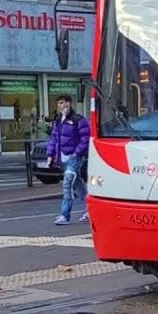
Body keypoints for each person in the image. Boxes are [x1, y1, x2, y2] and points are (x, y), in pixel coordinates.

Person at [45, 94, 91, 225]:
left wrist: (77, 153)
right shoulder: (58, 121)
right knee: (78, 185)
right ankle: (90, 211)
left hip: (74, 158)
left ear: (69, 103)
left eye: (63, 103)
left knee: (67, 184)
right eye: (59, 103)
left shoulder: (78, 120)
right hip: (63, 158)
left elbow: (85, 138)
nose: (61, 106)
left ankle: (65, 215)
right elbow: (54, 139)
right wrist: (50, 155)